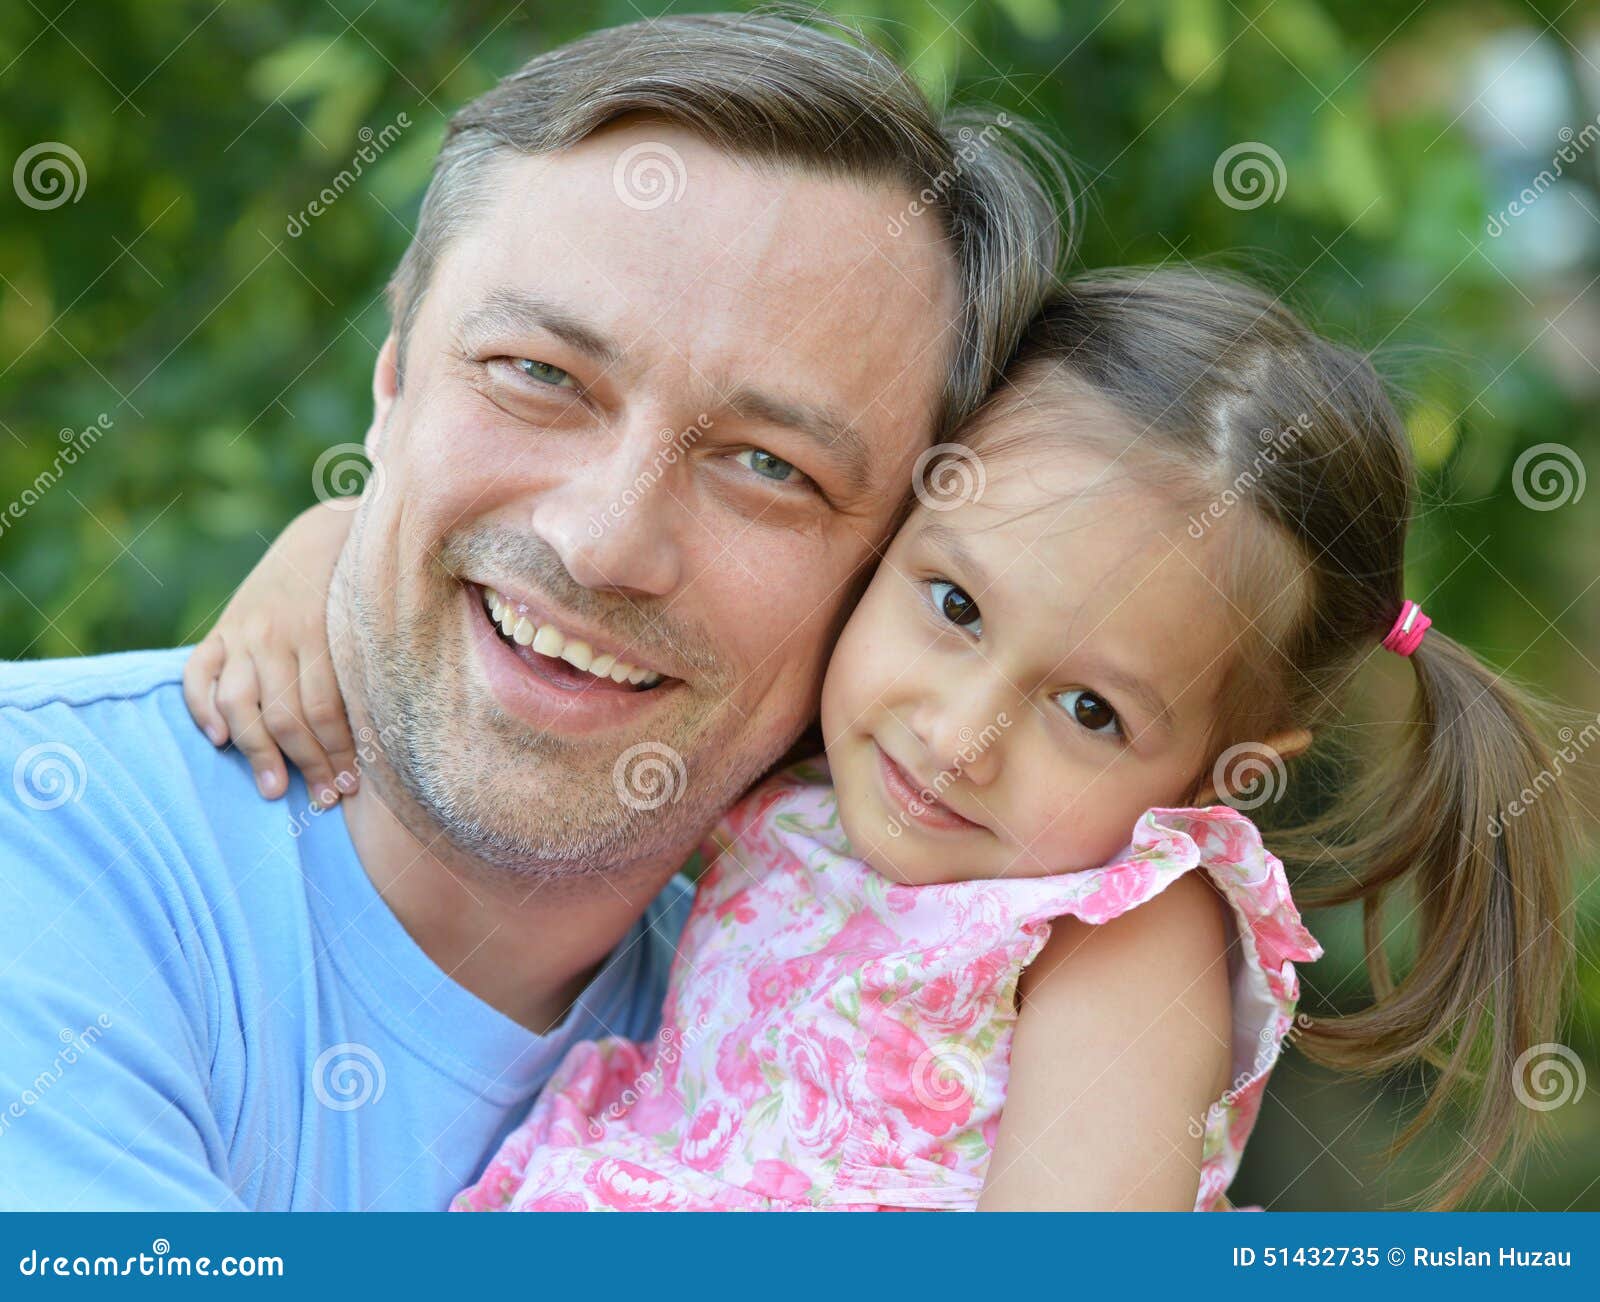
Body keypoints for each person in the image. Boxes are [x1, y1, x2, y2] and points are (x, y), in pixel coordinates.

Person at [197, 270, 1578, 1212]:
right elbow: (536, 638)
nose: (962, 733)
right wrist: (326, 551)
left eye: (1092, 712)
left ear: (1223, 773)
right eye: (957, 604)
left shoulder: (1116, 926)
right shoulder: (812, 775)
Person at [0, 13, 1063, 1211]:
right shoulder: (42, 835)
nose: (604, 542)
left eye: (771, 467)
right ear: (393, 376)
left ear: (883, 580)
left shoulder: (866, 1062)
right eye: (538, 375)